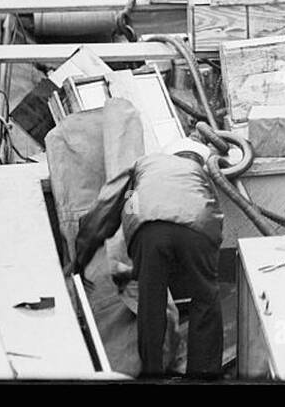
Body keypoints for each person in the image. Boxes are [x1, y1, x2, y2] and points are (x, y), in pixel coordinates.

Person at [67, 137, 227, 378]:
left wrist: (81, 256)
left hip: (148, 229)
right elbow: (210, 211)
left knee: (151, 303)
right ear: (199, 160)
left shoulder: (144, 166)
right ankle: (203, 377)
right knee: (205, 300)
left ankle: (152, 374)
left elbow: (111, 208)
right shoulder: (198, 173)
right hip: (197, 227)